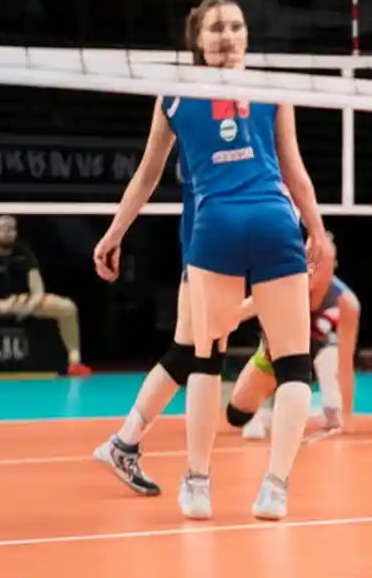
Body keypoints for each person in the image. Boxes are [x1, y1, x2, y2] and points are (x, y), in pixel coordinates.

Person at [93, 0, 328, 522]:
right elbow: (293, 171)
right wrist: (315, 228)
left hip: (221, 228)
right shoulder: (232, 91)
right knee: (285, 361)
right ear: (196, 40)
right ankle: (272, 488)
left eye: (236, 26)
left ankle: (194, 480)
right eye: (217, 27)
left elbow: (150, 176)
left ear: (247, 35)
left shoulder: (184, 95)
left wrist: (317, 229)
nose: (227, 35)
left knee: (201, 354)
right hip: (251, 223)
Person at [92, 150, 255, 497]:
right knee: (206, 353)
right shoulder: (188, 106)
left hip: (215, 229)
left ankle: (125, 443)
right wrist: (114, 234)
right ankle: (197, 480)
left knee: (186, 351)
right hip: (212, 231)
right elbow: (147, 174)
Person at [226, 273, 360, 440]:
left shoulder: (346, 304)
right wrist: (225, 318)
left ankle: (331, 409)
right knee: (237, 415)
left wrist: (347, 415)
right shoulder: (288, 284)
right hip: (279, 348)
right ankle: (264, 413)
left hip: (315, 349)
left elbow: (345, 363)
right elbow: (256, 304)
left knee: (330, 355)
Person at [0, 215, 88, 375]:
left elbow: (37, 288)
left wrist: (28, 306)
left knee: (67, 307)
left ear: (15, 232)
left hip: (21, 302)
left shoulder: (24, 252)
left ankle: (75, 362)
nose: (6, 232)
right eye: (1, 228)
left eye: (10, 229)